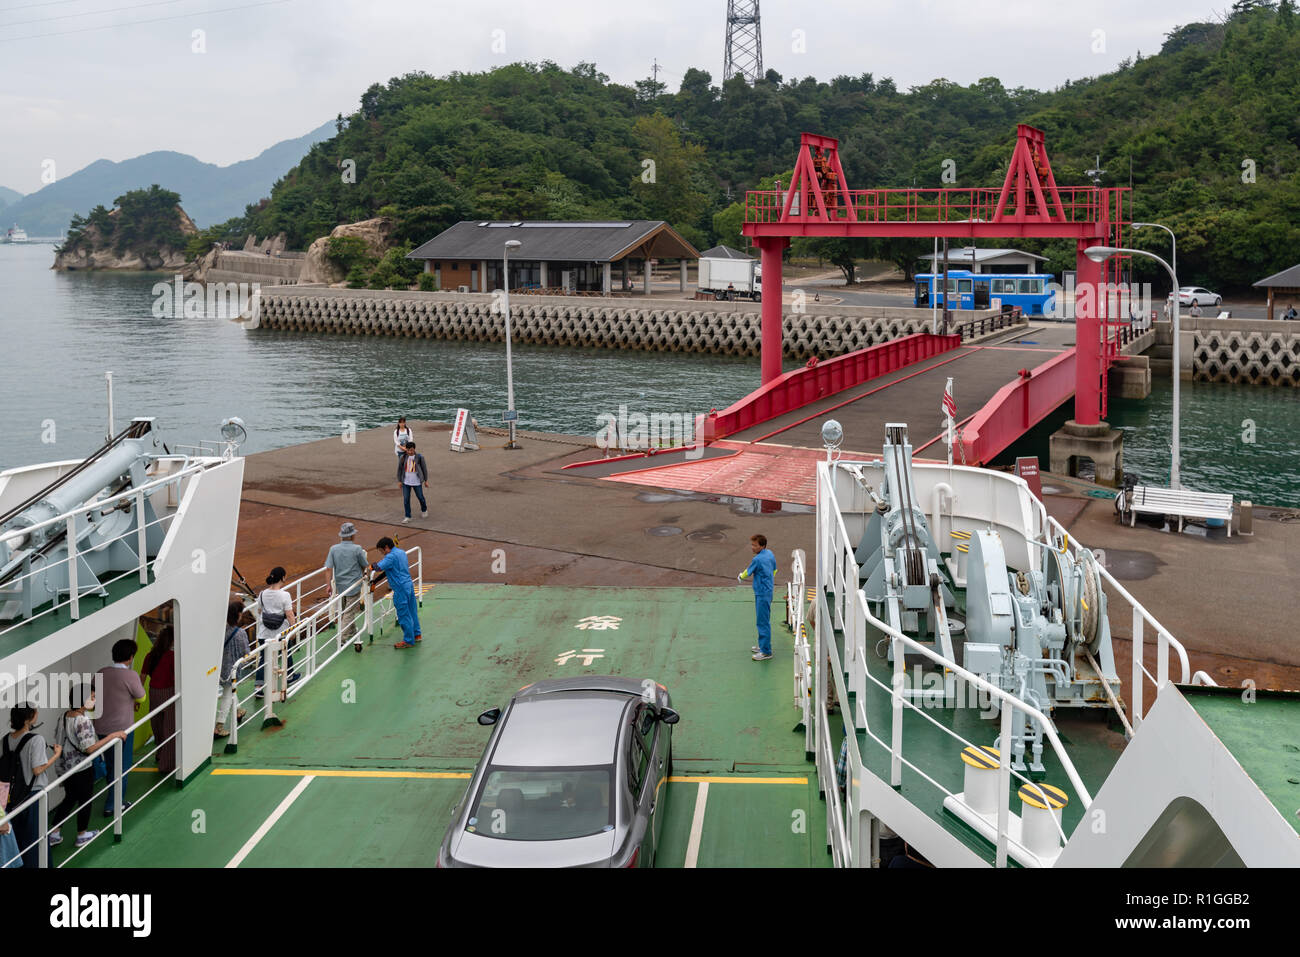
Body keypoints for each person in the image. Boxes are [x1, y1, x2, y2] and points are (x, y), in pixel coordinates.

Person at [50, 682, 125, 850]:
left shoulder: (64, 716)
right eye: (92, 697)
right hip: (82, 768)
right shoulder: (82, 720)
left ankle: (54, 833)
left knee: (70, 798)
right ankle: (82, 835)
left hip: (66, 767)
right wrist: (113, 735)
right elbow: (89, 748)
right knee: (85, 800)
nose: (95, 699)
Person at [94, 640, 146, 817]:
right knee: (122, 766)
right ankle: (114, 804)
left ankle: (112, 799)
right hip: (122, 729)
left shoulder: (101, 673)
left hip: (101, 727)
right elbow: (141, 698)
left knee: (110, 764)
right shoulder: (130, 676)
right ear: (131, 657)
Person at [4, 706, 59, 868]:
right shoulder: (36, 740)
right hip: (34, 795)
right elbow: (37, 769)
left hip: (10, 797)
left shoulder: (4, 741)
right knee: (37, 837)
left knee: (18, 838)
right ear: (28, 719)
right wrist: (56, 755)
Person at [253, 567, 297, 698]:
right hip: (280, 632)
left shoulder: (262, 594)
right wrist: (293, 629)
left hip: (264, 633)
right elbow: (289, 614)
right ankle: (289, 676)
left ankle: (258, 687)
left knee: (264, 658)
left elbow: (260, 611)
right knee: (286, 653)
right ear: (282, 577)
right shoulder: (285, 595)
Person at [326, 522, 370, 651]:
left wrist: (328, 585)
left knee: (346, 610)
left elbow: (328, 569)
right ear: (352, 536)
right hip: (354, 585)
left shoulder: (333, 549)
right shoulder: (357, 549)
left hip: (340, 585)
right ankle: (341, 638)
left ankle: (351, 631)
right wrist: (363, 575)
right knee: (349, 612)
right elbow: (364, 565)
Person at [371, 537, 420, 649]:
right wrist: (376, 581)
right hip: (409, 585)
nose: (381, 554)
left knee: (403, 614)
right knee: (412, 611)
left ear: (386, 548)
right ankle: (417, 634)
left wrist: (368, 567)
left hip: (400, 588)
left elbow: (378, 567)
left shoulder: (390, 556)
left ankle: (408, 640)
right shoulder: (401, 552)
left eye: (381, 551)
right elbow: (388, 570)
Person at [140, 626, 176, 776]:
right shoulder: (172, 656)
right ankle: (166, 765)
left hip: (154, 693)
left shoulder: (151, 656)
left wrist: (137, 699)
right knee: (170, 729)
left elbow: (141, 678)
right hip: (169, 693)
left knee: (158, 727)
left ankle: (160, 754)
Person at [738, 533, 778, 661]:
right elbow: (775, 570)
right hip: (768, 591)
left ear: (762, 546)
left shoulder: (757, 560)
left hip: (761, 593)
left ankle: (766, 651)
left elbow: (747, 572)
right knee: (763, 620)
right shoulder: (770, 554)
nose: (752, 547)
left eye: (754, 545)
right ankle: (763, 646)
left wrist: (740, 577)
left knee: (762, 621)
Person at [215, 601, 250, 738]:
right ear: (238, 615)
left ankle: (238, 710)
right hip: (231, 670)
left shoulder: (220, 630)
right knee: (227, 694)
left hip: (217, 669)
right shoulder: (240, 633)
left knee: (230, 690)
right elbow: (245, 653)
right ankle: (219, 726)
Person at [397, 441, 429, 524]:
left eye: (411, 450)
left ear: (414, 449)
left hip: (417, 481)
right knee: (406, 499)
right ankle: (408, 516)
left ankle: (424, 509)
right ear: (406, 450)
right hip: (406, 482)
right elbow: (399, 469)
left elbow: (424, 469)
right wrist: (400, 481)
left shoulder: (419, 457)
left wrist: (426, 480)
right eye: (408, 450)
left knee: (420, 497)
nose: (410, 452)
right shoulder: (403, 457)